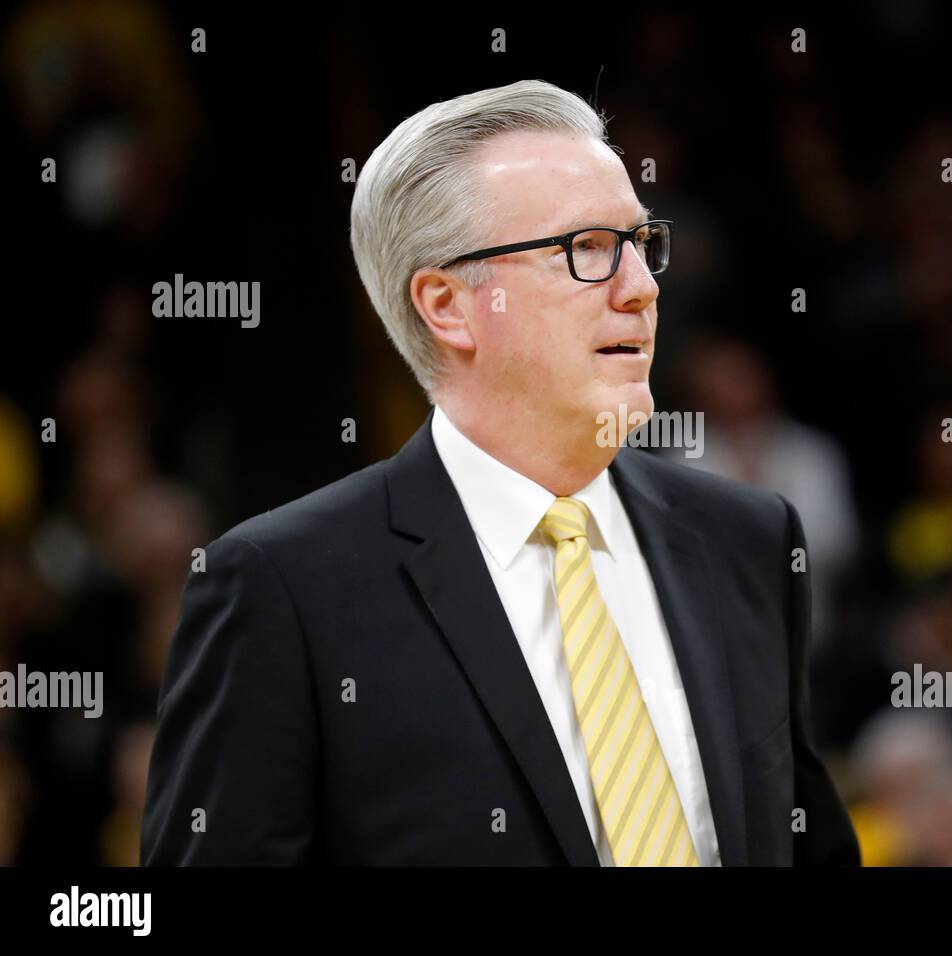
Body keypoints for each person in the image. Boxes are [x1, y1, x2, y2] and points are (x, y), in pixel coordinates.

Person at [140, 80, 859, 866]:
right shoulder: (282, 589)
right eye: (586, 249)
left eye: (641, 243)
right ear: (447, 305)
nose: (643, 288)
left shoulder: (747, 539)